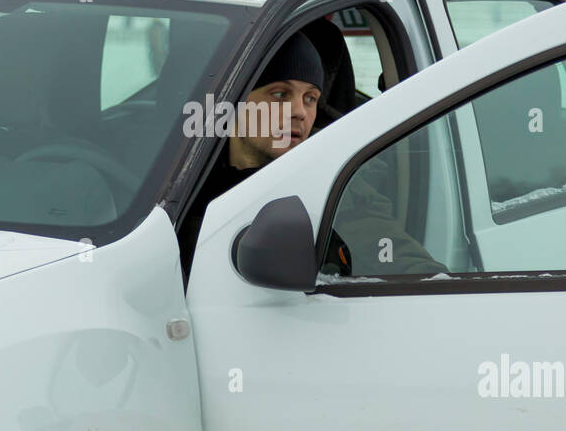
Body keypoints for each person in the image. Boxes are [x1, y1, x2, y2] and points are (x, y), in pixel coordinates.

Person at [179, 31, 443, 280]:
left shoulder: (336, 185)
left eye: (310, 98)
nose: (300, 112)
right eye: (280, 94)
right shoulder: (179, 180)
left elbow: (404, 260)